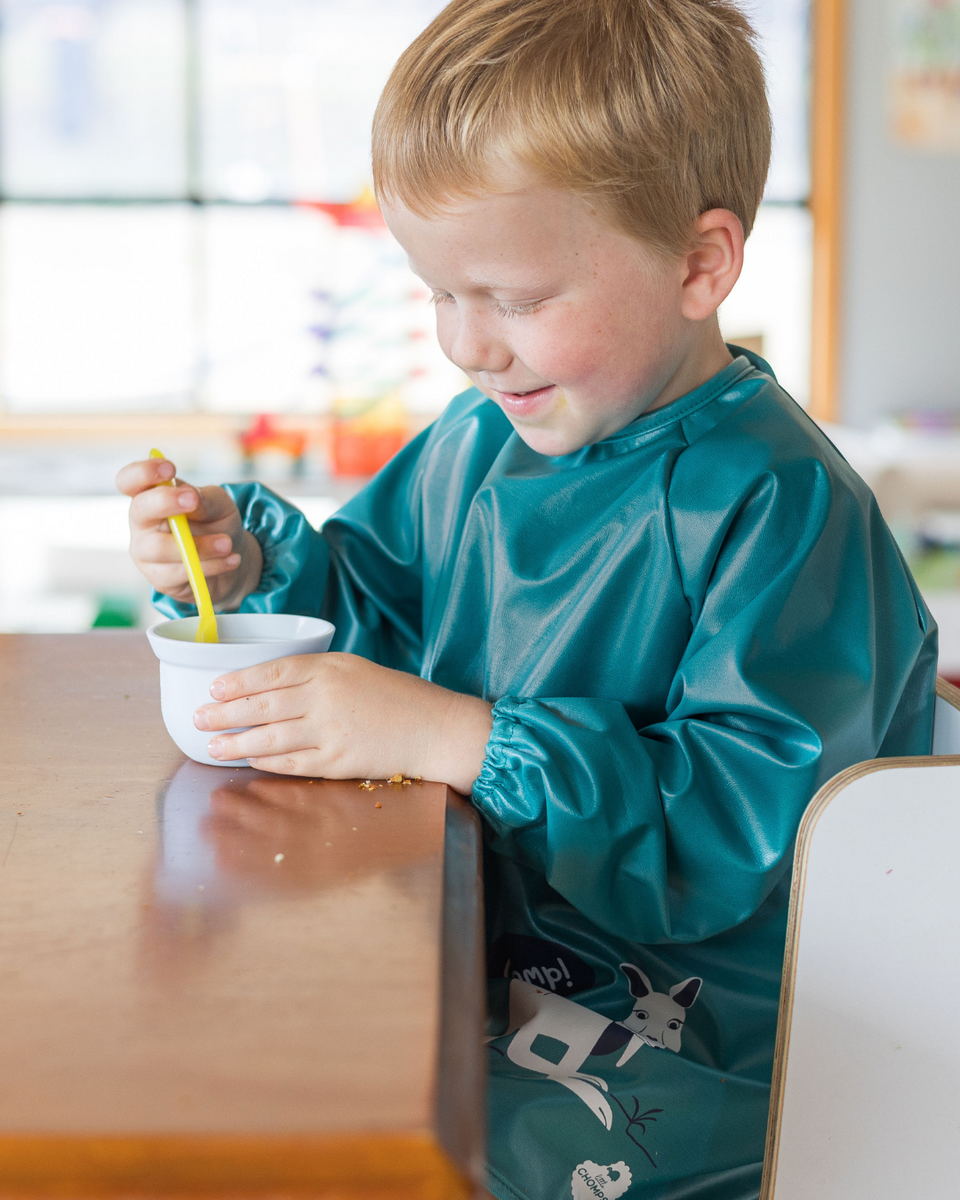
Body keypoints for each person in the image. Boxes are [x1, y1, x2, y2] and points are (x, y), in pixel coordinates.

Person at [118, 1, 937, 1195]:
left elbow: (737, 834)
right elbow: (378, 611)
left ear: (700, 265)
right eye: (439, 293)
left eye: (514, 297)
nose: (467, 345)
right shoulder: (481, 440)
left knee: (387, 1157)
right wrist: (249, 568)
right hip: (484, 955)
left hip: (714, 1046)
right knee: (232, 1080)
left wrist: (464, 737)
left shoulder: (782, 503)